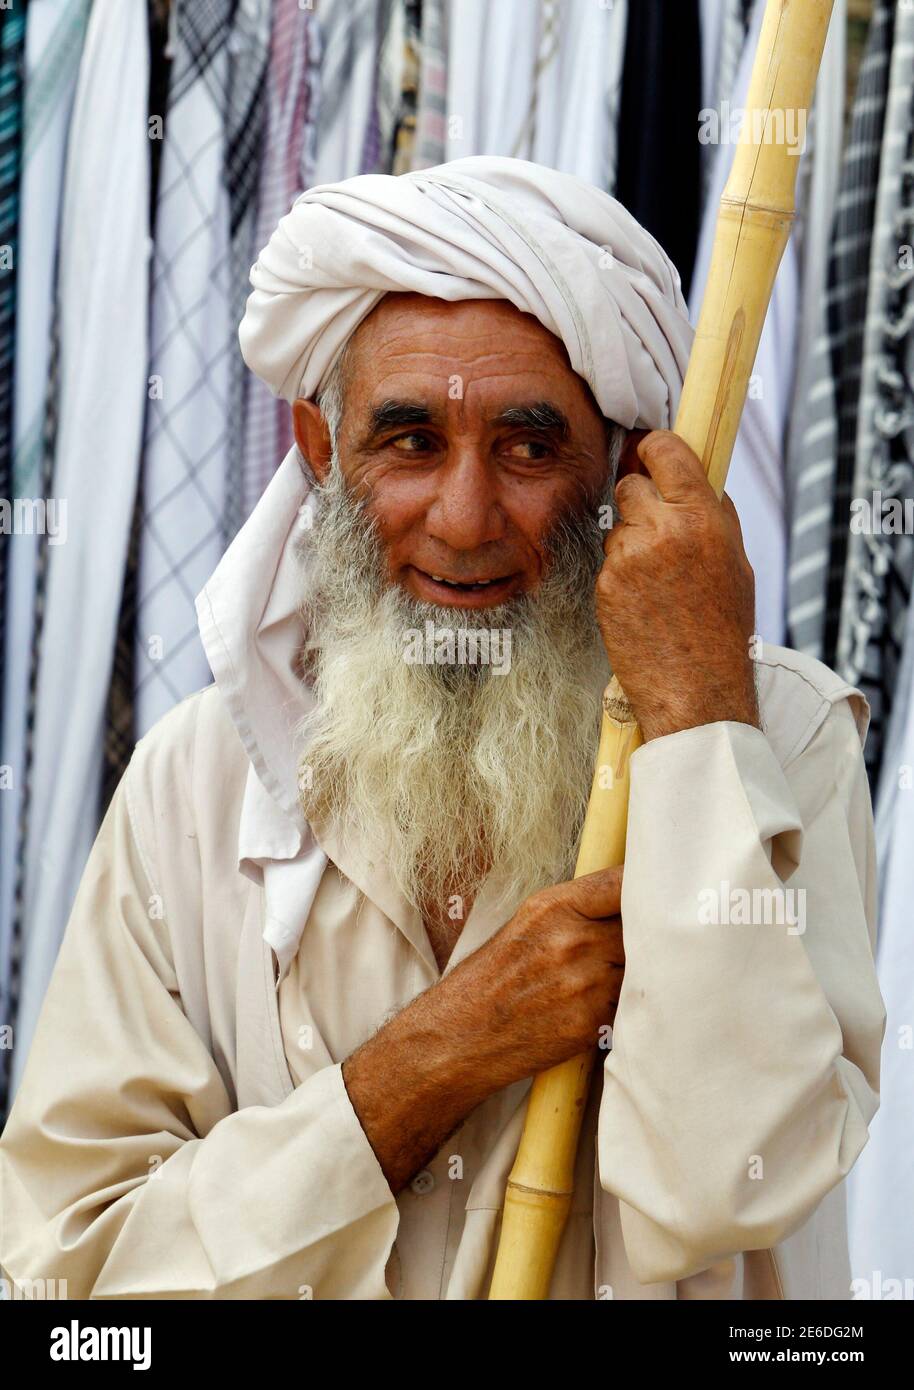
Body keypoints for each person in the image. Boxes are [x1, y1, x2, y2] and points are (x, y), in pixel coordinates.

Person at [0, 158, 885, 1300]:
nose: (463, 520)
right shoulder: (198, 781)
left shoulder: (771, 731)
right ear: (320, 454)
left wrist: (693, 717)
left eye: (526, 448)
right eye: (411, 442)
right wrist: (429, 1061)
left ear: (618, 468)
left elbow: (726, 1189)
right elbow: (67, 1286)